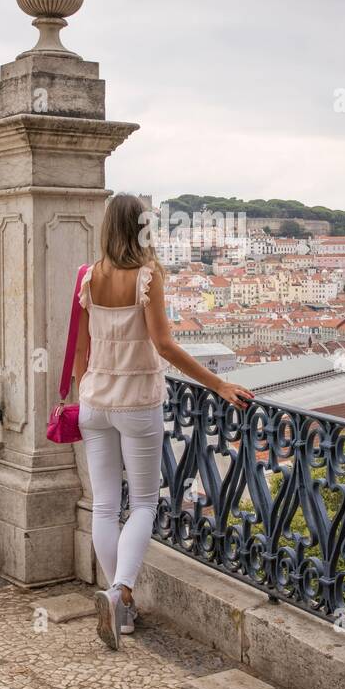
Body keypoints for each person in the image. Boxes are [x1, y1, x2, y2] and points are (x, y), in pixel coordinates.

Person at [73, 194, 253, 650]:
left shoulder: (87, 278)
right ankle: (120, 594)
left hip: (95, 401)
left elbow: (78, 353)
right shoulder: (147, 277)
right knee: (146, 504)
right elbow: (165, 345)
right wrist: (219, 385)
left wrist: (86, 391)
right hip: (137, 401)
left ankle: (122, 609)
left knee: (104, 506)